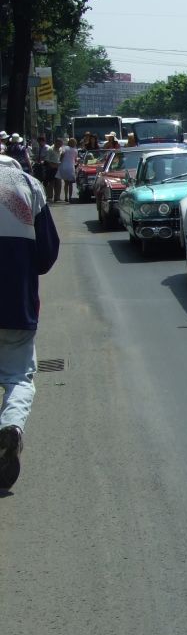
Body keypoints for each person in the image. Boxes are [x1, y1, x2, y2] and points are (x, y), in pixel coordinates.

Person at [0, 159, 60, 489]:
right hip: (16, 305)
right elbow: (48, 253)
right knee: (19, 377)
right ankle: (10, 425)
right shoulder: (29, 185)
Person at [56, 137, 78, 203]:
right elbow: (75, 159)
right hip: (71, 167)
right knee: (70, 183)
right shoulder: (75, 150)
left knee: (66, 183)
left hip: (64, 166)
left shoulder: (65, 148)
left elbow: (62, 155)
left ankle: (65, 196)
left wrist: (60, 160)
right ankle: (70, 197)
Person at [43, 138, 61, 203]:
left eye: (61, 143)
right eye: (59, 143)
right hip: (51, 167)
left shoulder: (60, 149)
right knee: (51, 183)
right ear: (56, 142)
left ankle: (57, 197)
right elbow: (47, 160)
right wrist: (53, 165)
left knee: (58, 183)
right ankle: (50, 197)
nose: (60, 145)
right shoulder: (50, 149)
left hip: (58, 167)